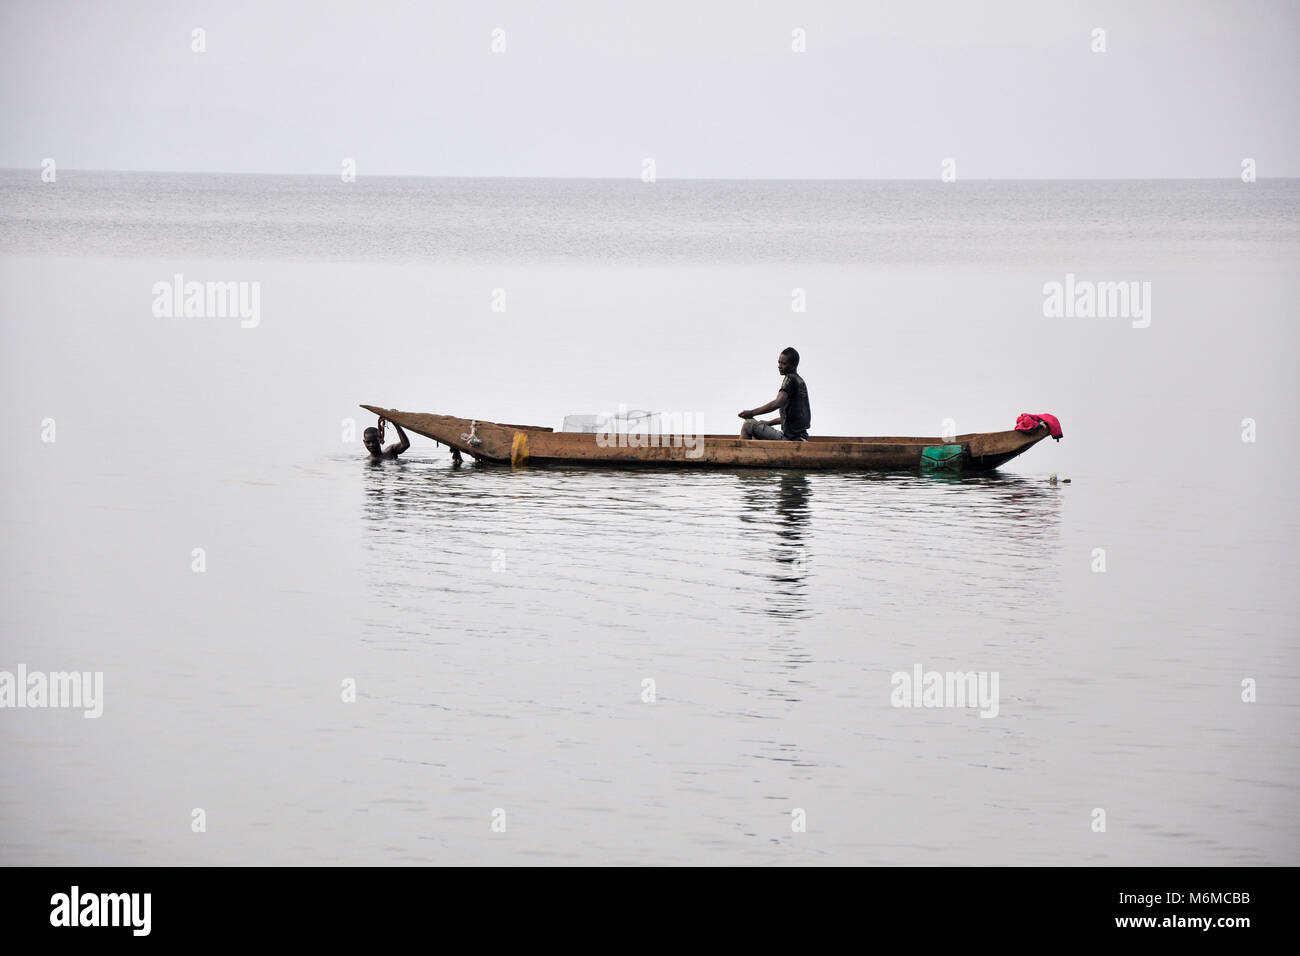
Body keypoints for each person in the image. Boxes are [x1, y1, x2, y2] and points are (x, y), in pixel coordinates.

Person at [738, 347, 811, 441]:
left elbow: (778, 403)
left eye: (783, 363)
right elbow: (791, 418)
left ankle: (737, 455)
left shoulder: (790, 378)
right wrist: (769, 423)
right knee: (755, 435)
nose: (779, 366)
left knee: (748, 424)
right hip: (801, 439)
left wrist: (752, 413)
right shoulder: (800, 382)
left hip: (790, 439)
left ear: (793, 366)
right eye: (779, 362)